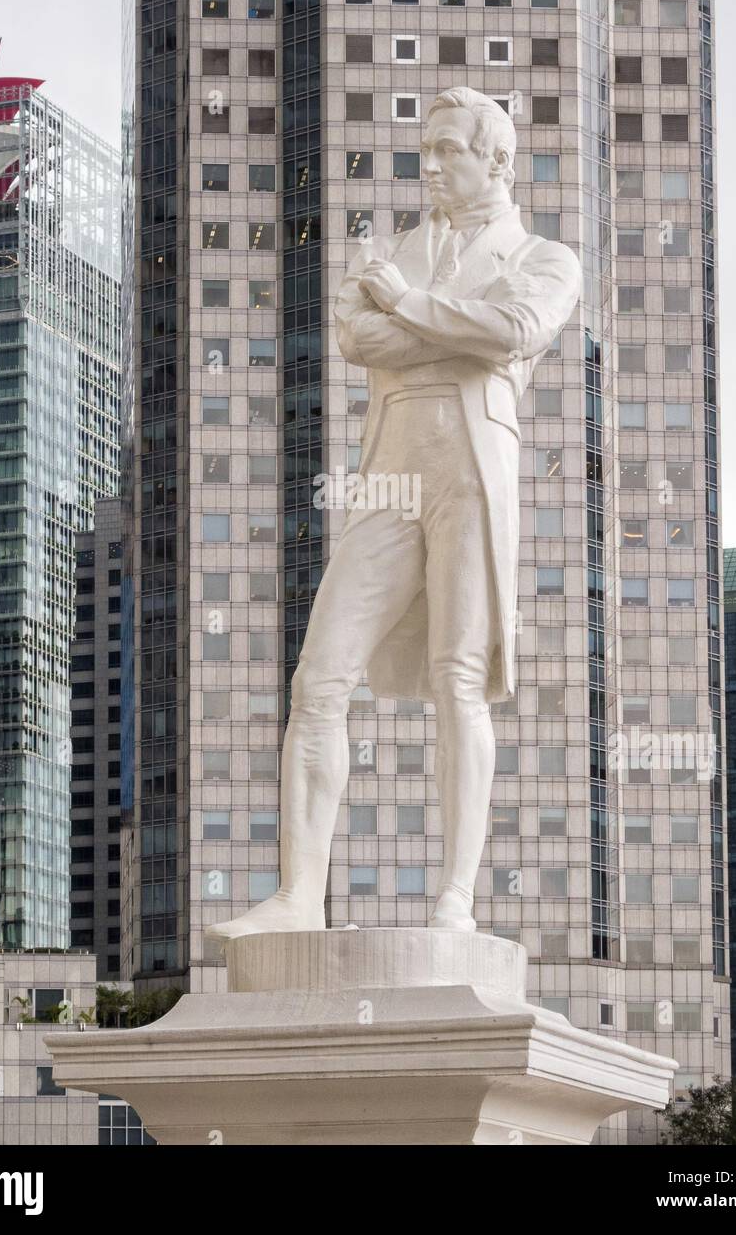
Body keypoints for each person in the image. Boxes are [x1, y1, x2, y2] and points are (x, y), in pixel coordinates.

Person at [208, 87, 582, 939]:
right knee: (319, 678)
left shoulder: (544, 256)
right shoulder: (395, 248)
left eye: (450, 148)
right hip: (389, 467)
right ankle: (300, 895)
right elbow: (356, 340)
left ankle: (456, 896)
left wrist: (406, 305)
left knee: (459, 678)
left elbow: (515, 327)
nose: (433, 165)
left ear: (496, 158)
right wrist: (451, 330)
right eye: (428, 150)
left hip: (471, 464)